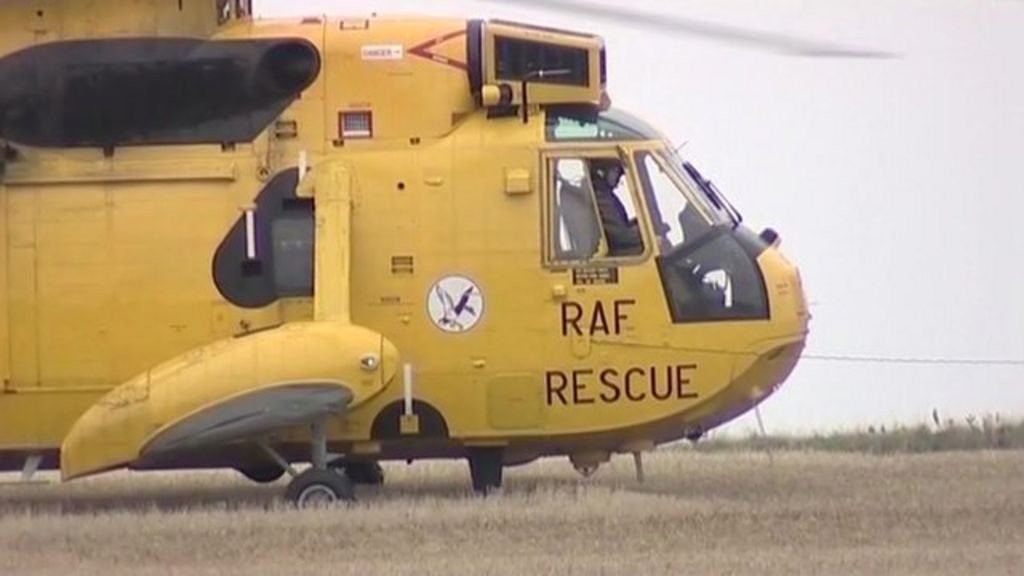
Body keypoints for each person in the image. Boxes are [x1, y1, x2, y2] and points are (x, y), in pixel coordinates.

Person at [590, 159, 643, 256]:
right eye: (616, 171)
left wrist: (638, 223)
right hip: (618, 252)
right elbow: (621, 236)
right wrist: (645, 231)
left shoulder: (602, 193)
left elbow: (618, 227)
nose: (618, 179)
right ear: (604, 170)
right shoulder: (599, 195)